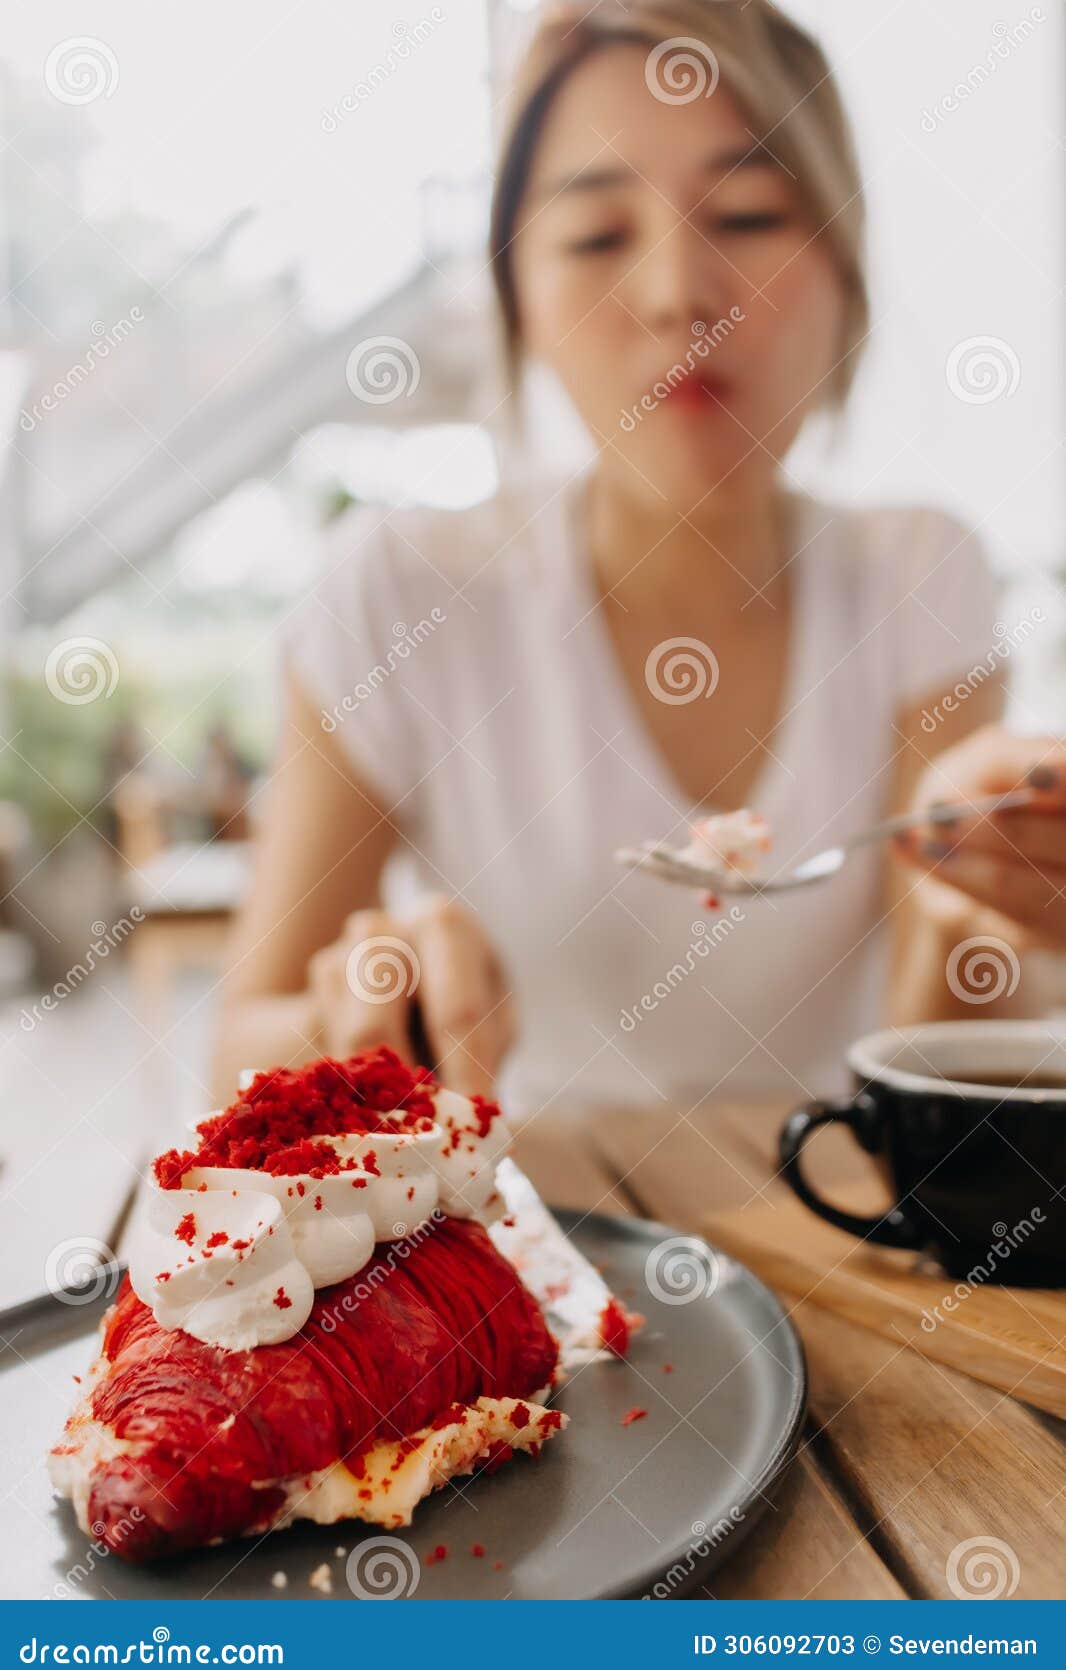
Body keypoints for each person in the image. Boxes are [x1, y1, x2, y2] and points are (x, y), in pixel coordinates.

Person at [215, 1, 1064, 1112]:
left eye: (751, 214)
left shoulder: (918, 570)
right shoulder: (402, 591)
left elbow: (920, 1053)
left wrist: (992, 913)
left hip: (824, 1226)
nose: (679, 296)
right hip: (528, 1247)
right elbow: (240, 1040)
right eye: (597, 236)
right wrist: (355, 1020)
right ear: (520, 295)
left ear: (846, 264)